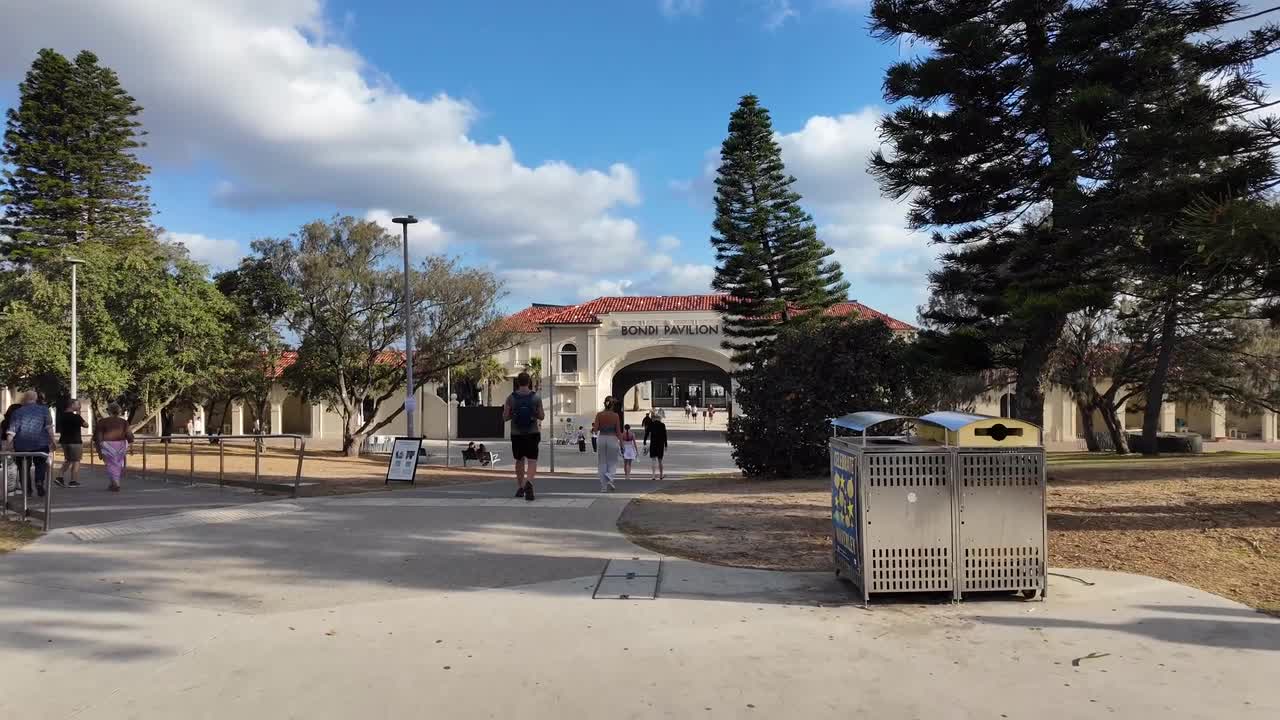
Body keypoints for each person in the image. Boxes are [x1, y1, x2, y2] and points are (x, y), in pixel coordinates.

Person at [4, 391, 56, 497]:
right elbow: (49, 427)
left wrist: (9, 445)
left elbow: (12, 431)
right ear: (36, 398)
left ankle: (27, 490)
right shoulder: (44, 410)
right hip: (40, 443)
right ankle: (39, 481)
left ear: (25, 398)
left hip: (22, 445)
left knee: (23, 468)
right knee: (41, 465)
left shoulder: (17, 412)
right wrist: (53, 440)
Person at [502, 371, 544, 502]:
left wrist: (513, 414)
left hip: (516, 433)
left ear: (517, 382)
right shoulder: (536, 397)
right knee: (532, 460)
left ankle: (520, 487)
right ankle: (529, 482)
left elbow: (505, 417)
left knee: (519, 460)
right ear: (529, 382)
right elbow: (542, 416)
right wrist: (533, 412)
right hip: (532, 433)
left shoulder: (511, 398)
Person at [93, 403, 134, 492]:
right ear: (119, 411)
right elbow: (129, 435)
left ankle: (116, 483)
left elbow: (98, 437)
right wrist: (131, 447)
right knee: (117, 464)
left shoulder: (102, 422)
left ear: (109, 411)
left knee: (110, 464)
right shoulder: (124, 422)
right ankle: (112, 483)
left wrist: (99, 448)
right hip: (121, 445)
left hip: (107, 445)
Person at [592, 396, 624, 492]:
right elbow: (618, 432)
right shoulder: (615, 416)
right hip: (612, 439)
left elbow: (596, 429)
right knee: (612, 461)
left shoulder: (599, 415)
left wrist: (593, 429)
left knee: (602, 462)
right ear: (613, 405)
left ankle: (603, 487)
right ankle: (610, 476)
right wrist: (622, 443)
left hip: (602, 438)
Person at [56, 399, 88, 488]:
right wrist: (79, 414)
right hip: (75, 441)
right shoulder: (76, 417)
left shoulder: (61, 416)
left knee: (68, 459)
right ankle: (73, 481)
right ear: (72, 405)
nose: (79, 406)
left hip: (64, 441)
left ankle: (60, 476)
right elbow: (86, 425)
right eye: (78, 404)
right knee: (76, 461)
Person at [648, 412, 669, 481]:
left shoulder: (651, 424)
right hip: (660, 444)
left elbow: (647, 433)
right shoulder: (662, 425)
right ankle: (661, 475)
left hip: (653, 443)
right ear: (659, 418)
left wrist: (645, 441)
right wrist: (666, 445)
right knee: (660, 460)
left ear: (654, 418)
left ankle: (653, 475)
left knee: (653, 460)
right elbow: (664, 435)